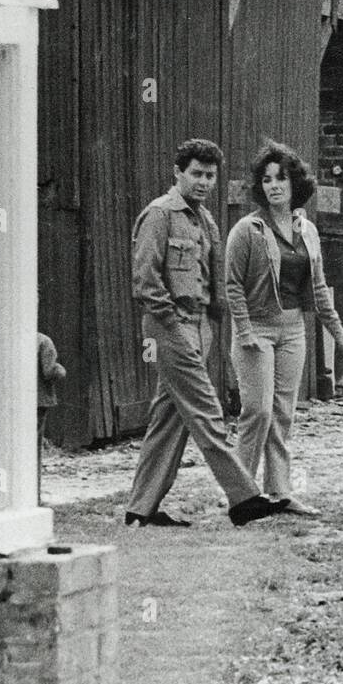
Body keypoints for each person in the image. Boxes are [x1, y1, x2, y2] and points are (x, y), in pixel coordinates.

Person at [125, 138, 291, 528]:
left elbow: (213, 280)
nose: (203, 182)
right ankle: (244, 497)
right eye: (196, 174)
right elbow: (145, 282)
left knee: (168, 417)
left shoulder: (205, 220)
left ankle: (140, 509)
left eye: (210, 175)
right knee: (206, 410)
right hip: (171, 325)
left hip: (200, 324)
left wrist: (210, 322)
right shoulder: (159, 215)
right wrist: (172, 323)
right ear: (178, 173)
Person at [226, 142, 343, 514]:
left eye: (281, 178)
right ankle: (241, 494)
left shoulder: (308, 231)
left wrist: (339, 333)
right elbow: (232, 285)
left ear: (295, 184)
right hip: (256, 332)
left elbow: (317, 287)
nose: (274, 186)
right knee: (258, 412)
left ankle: (280, 492)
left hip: (293, 331)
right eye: (266, 180)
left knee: (283, 413)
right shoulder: (247, 230)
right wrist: (245, 330)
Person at [36, 332, 66, 504]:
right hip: (38, 402)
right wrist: (61, 370)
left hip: (13, 401)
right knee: (34, 451)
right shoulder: (43, 340)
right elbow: (49, 371)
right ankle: (34, 496)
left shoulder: (10, 340)